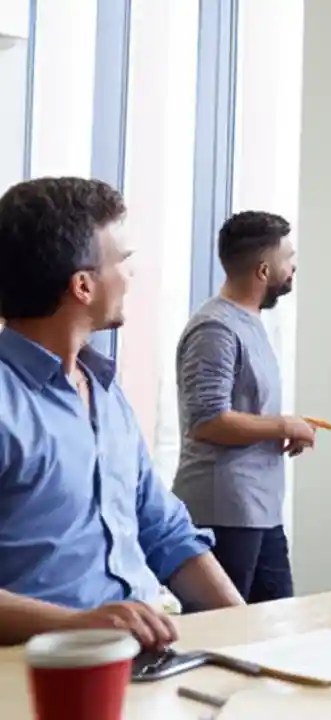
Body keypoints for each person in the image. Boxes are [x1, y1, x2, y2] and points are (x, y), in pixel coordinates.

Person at [0, 177, 244, 647]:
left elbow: (165, 532)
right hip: (39, 673)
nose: (130, 277)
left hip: (141, 660)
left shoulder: (106, 393)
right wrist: (75, 625)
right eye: (123, 262)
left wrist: (248, 632)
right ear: (84, 285)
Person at [172, 211, 311, 603]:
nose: (294, 266)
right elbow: (207, 420)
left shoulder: (250, 322)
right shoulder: (215, 329)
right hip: (225, 512)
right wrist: (283, 426)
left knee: (275, 627)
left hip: (258, 509)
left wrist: (285, 427)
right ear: (264, 270)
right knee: (225, 636)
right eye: (290, 257)